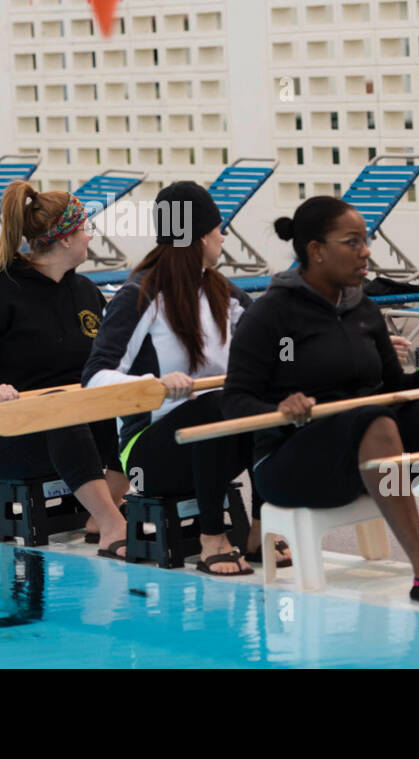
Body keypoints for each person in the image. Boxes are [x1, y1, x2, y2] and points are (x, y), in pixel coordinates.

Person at [222, 195, 419, 606]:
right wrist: (279, 411)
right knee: (377, 422)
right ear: (316, 251)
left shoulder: (365, 310)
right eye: (352, 242)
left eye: (366, 240)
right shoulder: (270, 316)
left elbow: (392, 388)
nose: (366, 251)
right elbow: (234, 401)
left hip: (369, 451)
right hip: (290, 463)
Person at [82, 182, 267, 575]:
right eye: (219, 227)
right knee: (214, 406)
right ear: (200, 235)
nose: (223, 235)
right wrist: (154, 386)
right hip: (149, 454)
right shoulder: (141, 294)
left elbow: (269, 342)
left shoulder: (223, 292)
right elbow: (94, 378)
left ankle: (260, 530)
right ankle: (212, 538)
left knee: (262, 400)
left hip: (215, 439)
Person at [0, 181, 129, 558]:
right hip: (10, 434)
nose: (89, 236)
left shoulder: (87, 293)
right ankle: (111, 523)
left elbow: (110, 363)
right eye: (84, 229)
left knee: (138, 402)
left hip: (82, 424)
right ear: (65, 239)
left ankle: (103, 507)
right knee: (63, 414)